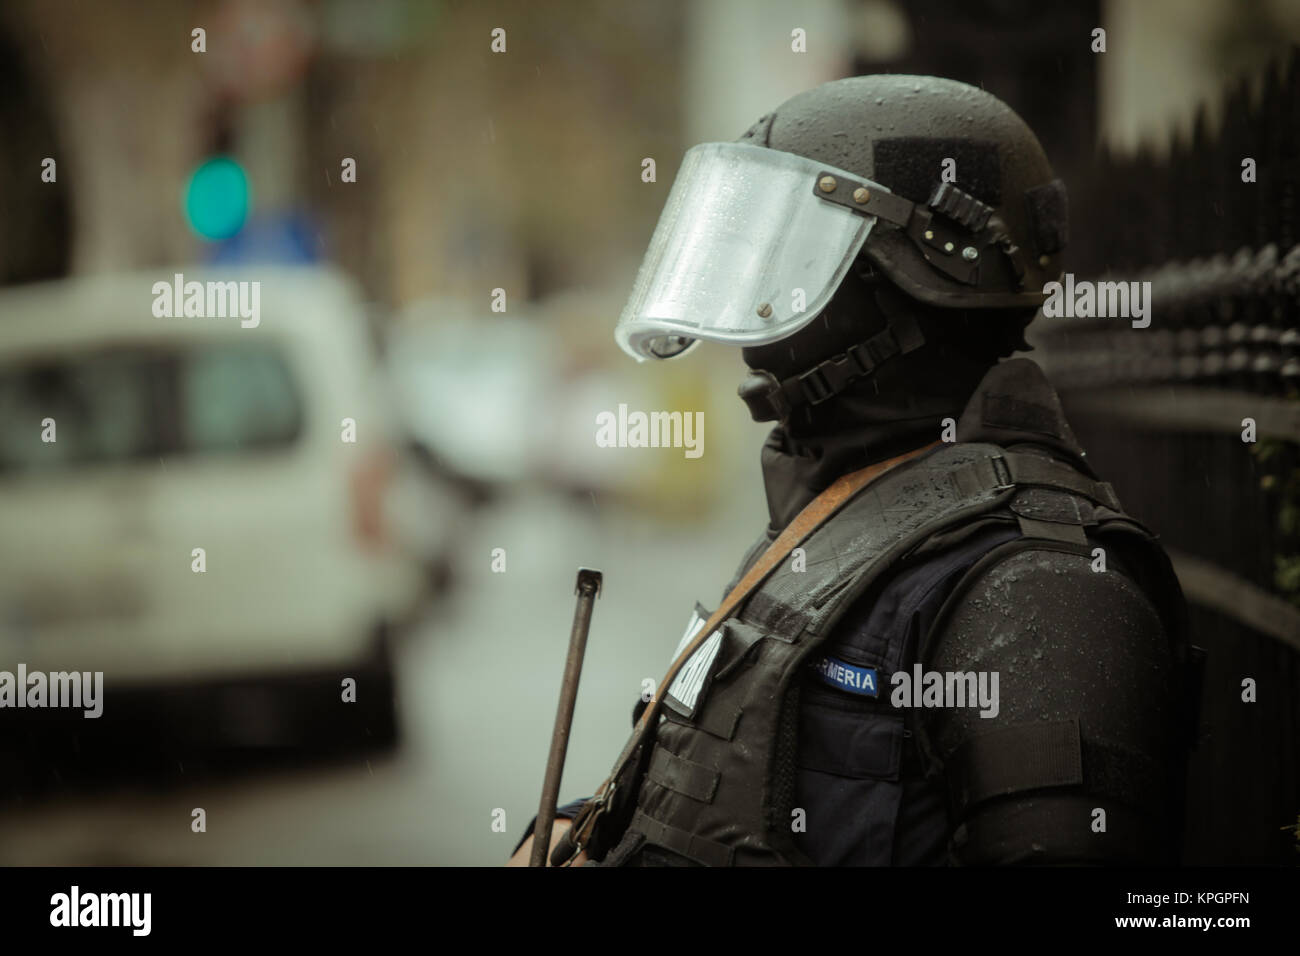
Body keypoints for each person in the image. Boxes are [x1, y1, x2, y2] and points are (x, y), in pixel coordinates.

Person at [509, 74, 1199, 867]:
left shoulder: (1041, 587)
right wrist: (584, 831)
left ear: (908, 274)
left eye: (789, 257)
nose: (758, 319)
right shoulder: (845, 513)